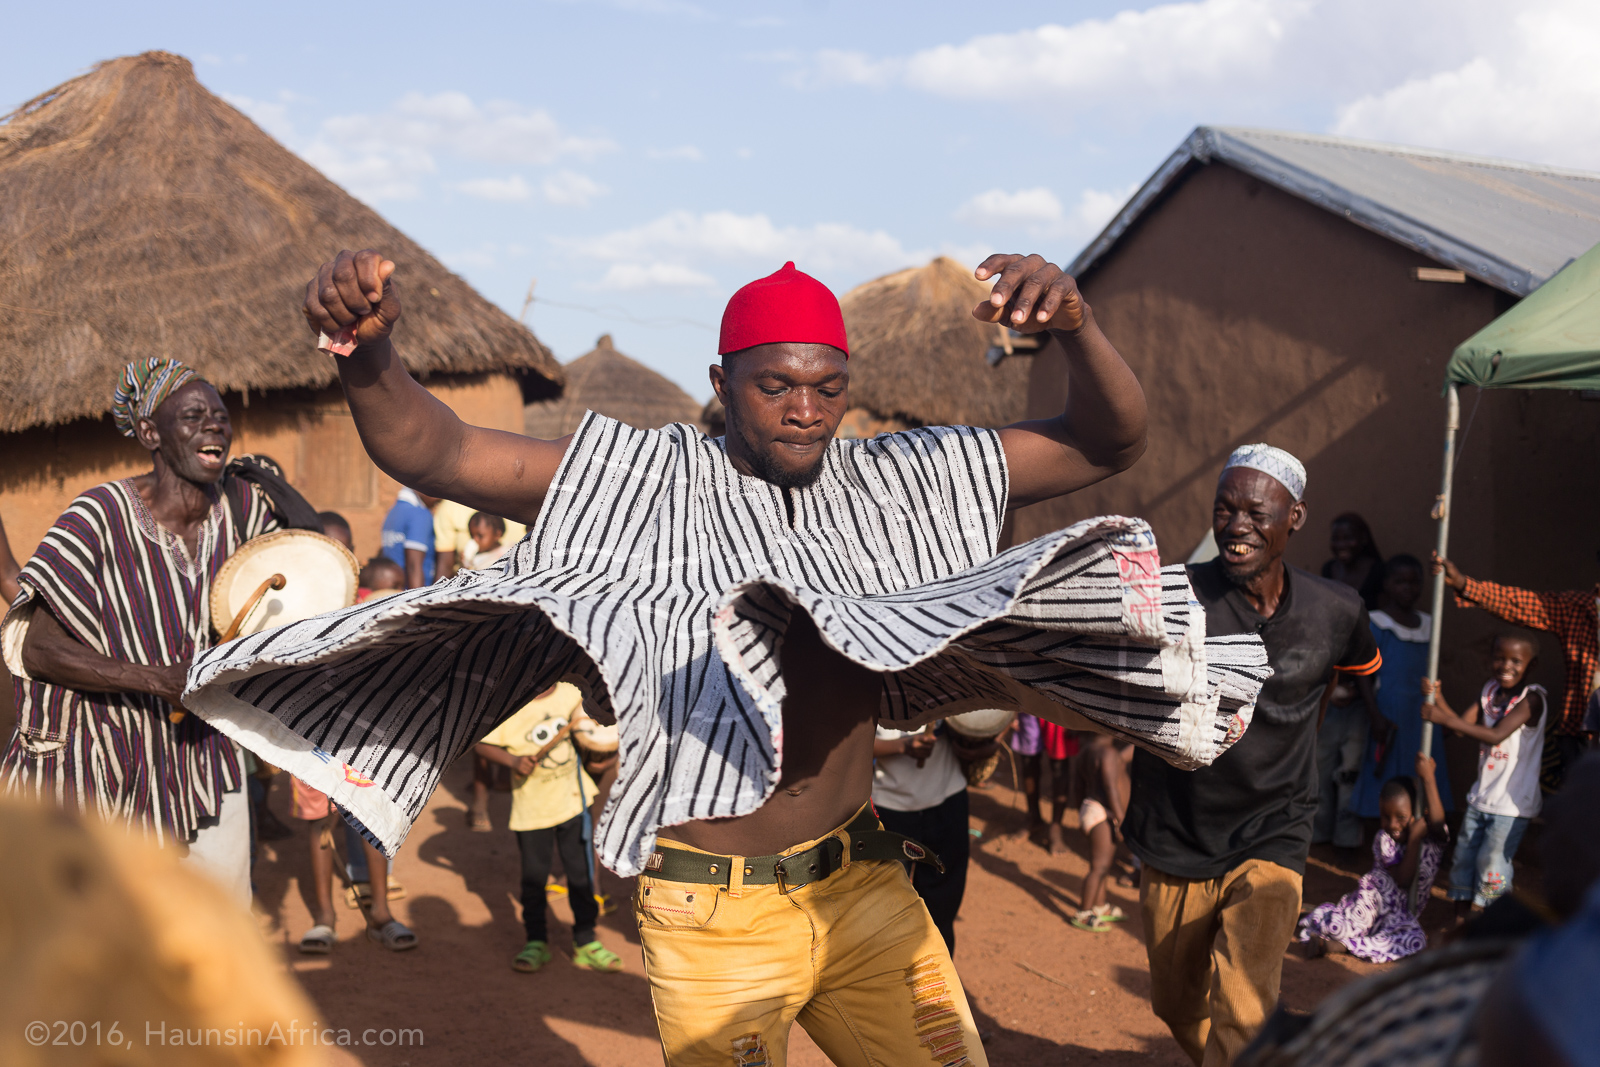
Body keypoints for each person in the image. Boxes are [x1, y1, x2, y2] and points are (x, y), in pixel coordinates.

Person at [185, 249, 1274, 1067]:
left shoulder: (897, 478)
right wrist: (367, 351)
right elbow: (437, 446)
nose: (805, 409)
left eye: (826, 384)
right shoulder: (644, 479)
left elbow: (1107, 441)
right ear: (721, 379)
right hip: (716, 912)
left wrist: (1077, 326)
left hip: (862, 881)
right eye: (775, 385)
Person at [1124, 443, 1382, 1067]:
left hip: (1277, 824)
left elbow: (1345, 679)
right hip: (1177, 829)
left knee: (1244, 1005)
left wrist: (1298, 750)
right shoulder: (1174, 599)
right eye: (1225, 510)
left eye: (1256, 513)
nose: (1236, 527)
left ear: (1294, 517)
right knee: (1178, 1004)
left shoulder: (1336, 609)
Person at [0, 360, 277, 905]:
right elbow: (36, 645)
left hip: (202, 758)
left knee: (220, 925)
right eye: (194, 415)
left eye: (221, 417)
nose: (214, 426)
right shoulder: (99, 516)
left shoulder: (240, 513)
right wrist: (157, 680)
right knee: (91, 945)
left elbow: (307, 564)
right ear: (150, 433)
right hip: (102, 754)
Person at [476, 682, 622, 973]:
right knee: (534, 879)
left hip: (574, 802)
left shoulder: (571, 693)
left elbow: (595, 722)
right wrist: (512, 760)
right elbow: (479, 743)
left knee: (582, 876)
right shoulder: (511, 709)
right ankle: (536, 941)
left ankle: (586, 941)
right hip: (532, 812)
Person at [1433, 553, 1595, 792]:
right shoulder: (1579, 609)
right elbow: (1520, 604)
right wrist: (1464, 584)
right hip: (1580, 738)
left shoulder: (1532, 699)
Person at [1422, 634, 1547, 923]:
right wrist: (1438, 698)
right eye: (1500, 658)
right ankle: (1460, 922)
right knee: (1464, 858)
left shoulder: (1533, 699)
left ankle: (1496, 922)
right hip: (1482, 797)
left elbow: (1495, 735)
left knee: (1492, 864)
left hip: (1511, 805)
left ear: (1533, 664)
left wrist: (1441, 718)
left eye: (1516, 661)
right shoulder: (1490, 691)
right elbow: (1464, 728)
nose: (1506, 666)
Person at [1297, 752, 1447, 962]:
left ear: (1418, 814)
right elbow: (1403, 880)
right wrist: (1413, 839)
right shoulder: (1385, 839)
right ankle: (1324, 927)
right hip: (1371, 901)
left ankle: (1337, 947)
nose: (1392, 824)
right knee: (1343, 928)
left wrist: (1429, 778)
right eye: (1385, 816)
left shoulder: (1430, 839)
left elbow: (1439, 824)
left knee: (1413, 940)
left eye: (1401, 817)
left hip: (1397, 917)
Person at [1351, 554, 1451, 820]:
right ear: (1386, 585)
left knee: (1424, 768)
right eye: (1400, 582)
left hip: (1422, 712)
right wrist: (1374, 715)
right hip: (1389, 711)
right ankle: (1386, 837)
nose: (1407, 588)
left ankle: (1423, 831)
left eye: (1414, 582)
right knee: (1387, 771)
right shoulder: (1377, 622)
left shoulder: (1430, 623)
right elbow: (1363, 673)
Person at [870, 723, 975, 956]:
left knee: (941, 911)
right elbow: (851, 746)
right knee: (883, 911)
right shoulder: (867, 688)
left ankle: (938, 984)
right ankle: (891, 985)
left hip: (948, 801)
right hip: (888, 808)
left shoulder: (949, 687)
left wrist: (987, 742)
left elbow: (979, 720)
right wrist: (903, 746)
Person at [1070, 733, 1133, 933]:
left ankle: (1099, 906)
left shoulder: (1086, 752)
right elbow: (1111, 788)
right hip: (1103, 813)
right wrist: (1121, 820)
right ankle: (1084, 912)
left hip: (1091, 808)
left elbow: (1078, 785)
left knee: (1103, 865)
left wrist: (1081, 813)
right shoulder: (1108, 753)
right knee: (1099, 867)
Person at [433, 498, 526, 579]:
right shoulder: (474, 557)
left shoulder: (509, 551)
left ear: (497, 534)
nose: (475, 540)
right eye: (472, 536)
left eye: (480, 536)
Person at [1321, 512, 1385, 611]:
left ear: (1363, 539)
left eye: (1348, 538)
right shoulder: (1328, 569)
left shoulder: (1378, 571)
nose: (1341, 545)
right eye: (1335, 539)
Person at [380, 486, 439, 588]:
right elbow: (413, 565)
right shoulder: (419, 514)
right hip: (413, 591)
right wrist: (418, 600)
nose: (439, 498)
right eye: (436, 489)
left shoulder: (393, 511)